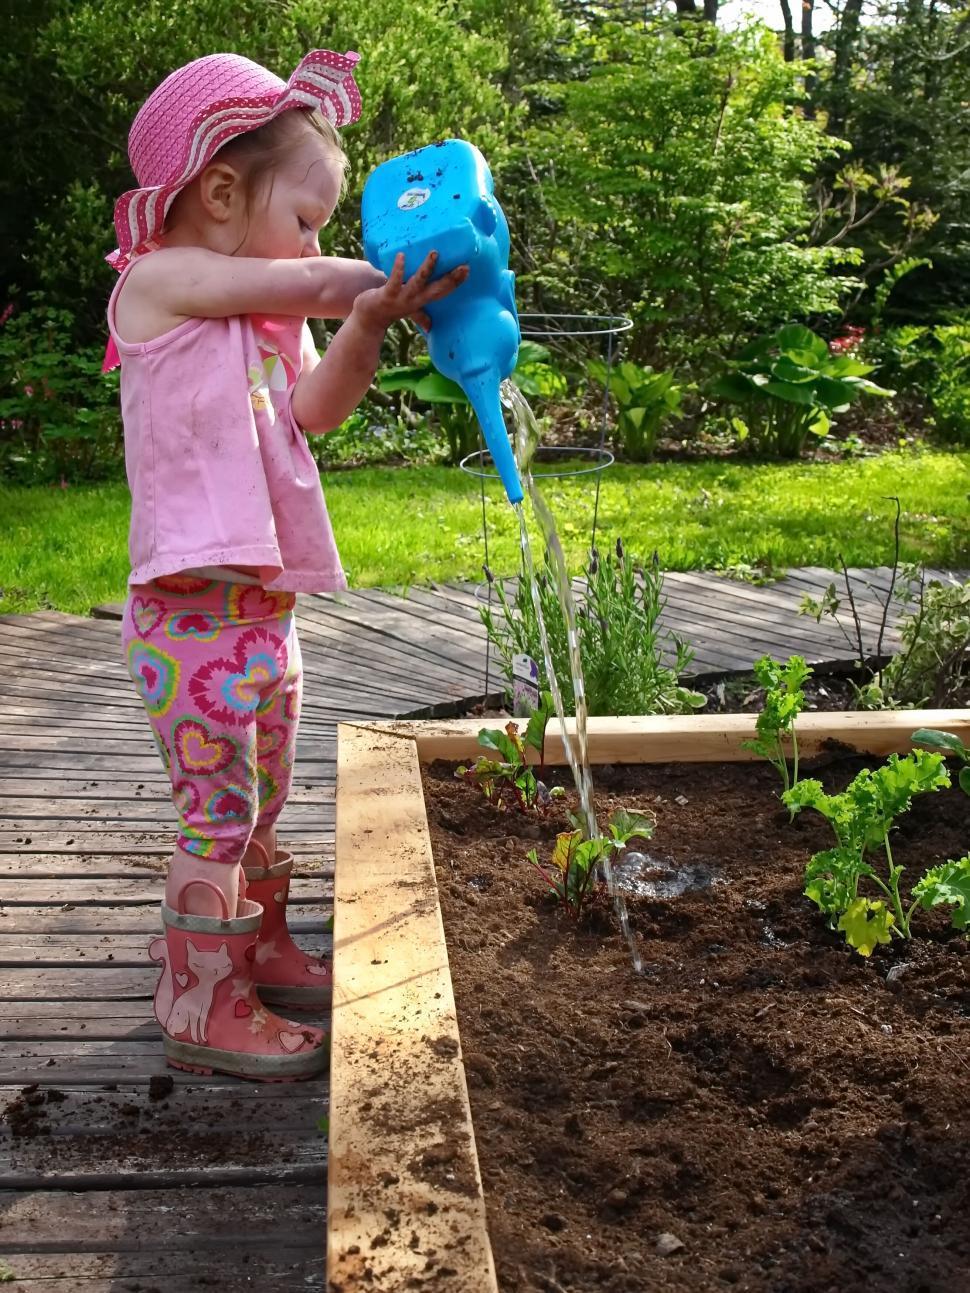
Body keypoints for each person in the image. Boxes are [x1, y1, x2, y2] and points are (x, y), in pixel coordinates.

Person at [107, 49, 467, 1082]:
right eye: (306, 217)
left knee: (262, 801)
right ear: (219, 192)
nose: (317, 244)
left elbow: (314, 413)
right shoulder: (162, 283)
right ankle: (198, 997)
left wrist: (362, 323)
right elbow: (301, 277)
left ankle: (254, 951)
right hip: (189, 619)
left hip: (262, 612)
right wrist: (375, 277)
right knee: (216, 813)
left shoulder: (267, 317)